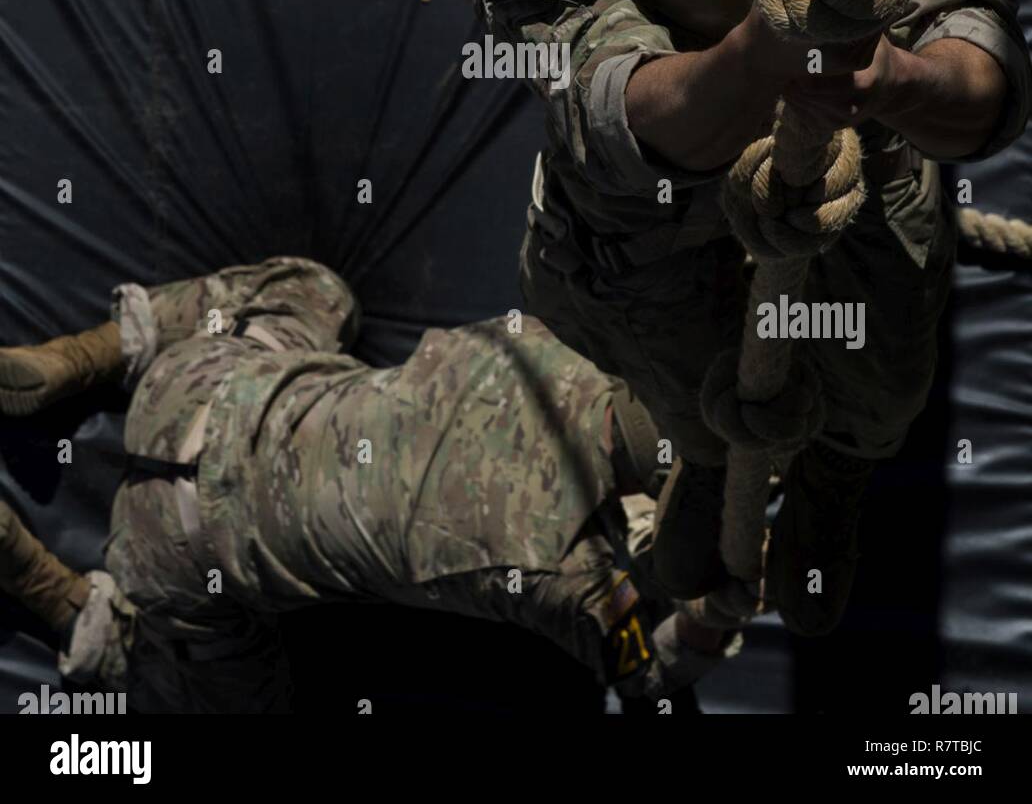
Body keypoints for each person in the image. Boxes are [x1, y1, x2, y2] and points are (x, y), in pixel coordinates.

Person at [437, 0, 1031, 634]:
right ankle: (704, 445)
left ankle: (844, 455)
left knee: (890, 235)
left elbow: (982, 69)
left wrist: (896, 79)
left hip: (842, 111)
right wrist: (758, 54)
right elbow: (620, 108)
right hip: (650, 179)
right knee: (612, 236)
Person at [0, 256, 735, 712]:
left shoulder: (546, 346)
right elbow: (642, 671)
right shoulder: (562, 568)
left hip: (196, 390)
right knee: (233, 704)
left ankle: (93, 353)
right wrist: (718, 613)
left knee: (313, 289)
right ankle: (53, 593)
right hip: (179, 548)